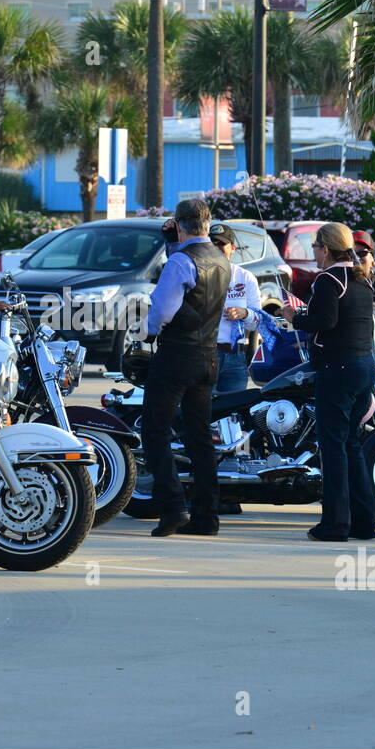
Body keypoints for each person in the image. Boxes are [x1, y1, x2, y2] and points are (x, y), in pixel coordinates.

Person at [281, 222, 375, 541]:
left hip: (338, 369)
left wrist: (295, 317)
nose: (314, 255)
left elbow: (325, 321)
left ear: (326, 248)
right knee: (351, 444)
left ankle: (335, 524)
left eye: (315, 249)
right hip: (365, 368)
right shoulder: (362, 278)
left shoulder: (329, 279)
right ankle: (364, 523)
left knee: (332, 447)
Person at [140, 199, 230, 538]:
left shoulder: (180, 261)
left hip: (177, 354)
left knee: (155, 431)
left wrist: (148, 330)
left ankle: (173, 507)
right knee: (199, 438)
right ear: (207, 223)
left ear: (179, 225)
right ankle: (207, 516)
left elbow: (162, 310)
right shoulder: (222, 260)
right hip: (208, 355)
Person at [210, 222, 263, 395]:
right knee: (202, 415)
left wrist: (245, 313)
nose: (217, 248)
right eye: (213, 244)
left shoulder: (245, 277)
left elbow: (257, 321)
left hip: (235, 357)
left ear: (232, 247)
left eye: (221, 244)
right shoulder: (196, 274)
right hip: (206, 355)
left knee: (233, 415)